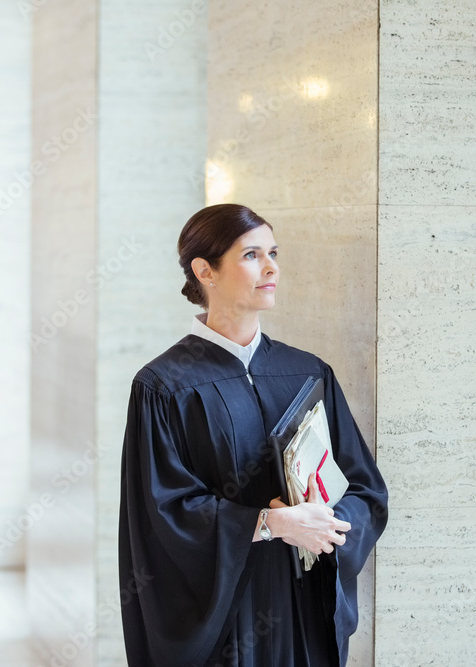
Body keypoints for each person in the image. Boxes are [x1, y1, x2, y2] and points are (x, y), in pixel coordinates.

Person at [118, 204, 389, 666]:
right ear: (205, 271)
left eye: (273, 253)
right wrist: (269, 524)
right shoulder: (164, 387)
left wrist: (326, 522)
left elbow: (364, 488)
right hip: (227, 618)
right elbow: (164, 511)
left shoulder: (307, 372)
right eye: (251, 255)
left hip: (302, 606)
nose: (271, 268)